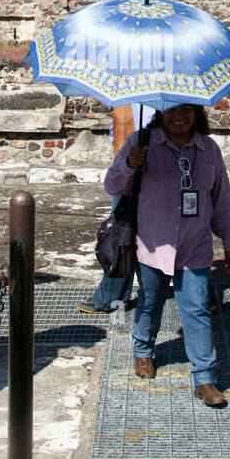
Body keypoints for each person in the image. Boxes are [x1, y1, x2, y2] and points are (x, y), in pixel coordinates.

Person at [107, 103, 230, 408]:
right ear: (160, 114)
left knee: (196, 309)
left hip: (195, 246)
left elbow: (222, 199)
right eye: (171, 111)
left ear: (196, 113)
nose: (179, 117)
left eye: (186, 111)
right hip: (152, 245)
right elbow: (112, 185)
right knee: (150, 301)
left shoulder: (209, 150)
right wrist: (129, 163)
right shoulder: (141, 142)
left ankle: (204, 377)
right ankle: (143, 349)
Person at [77, 102, 156, 315]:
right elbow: (118, 133)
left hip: (155, 176)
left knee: (171, 236)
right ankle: (110, 297)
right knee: (122, 237)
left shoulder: (163, 97)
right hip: (128, 173)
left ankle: (201, 295)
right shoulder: (127, 98)